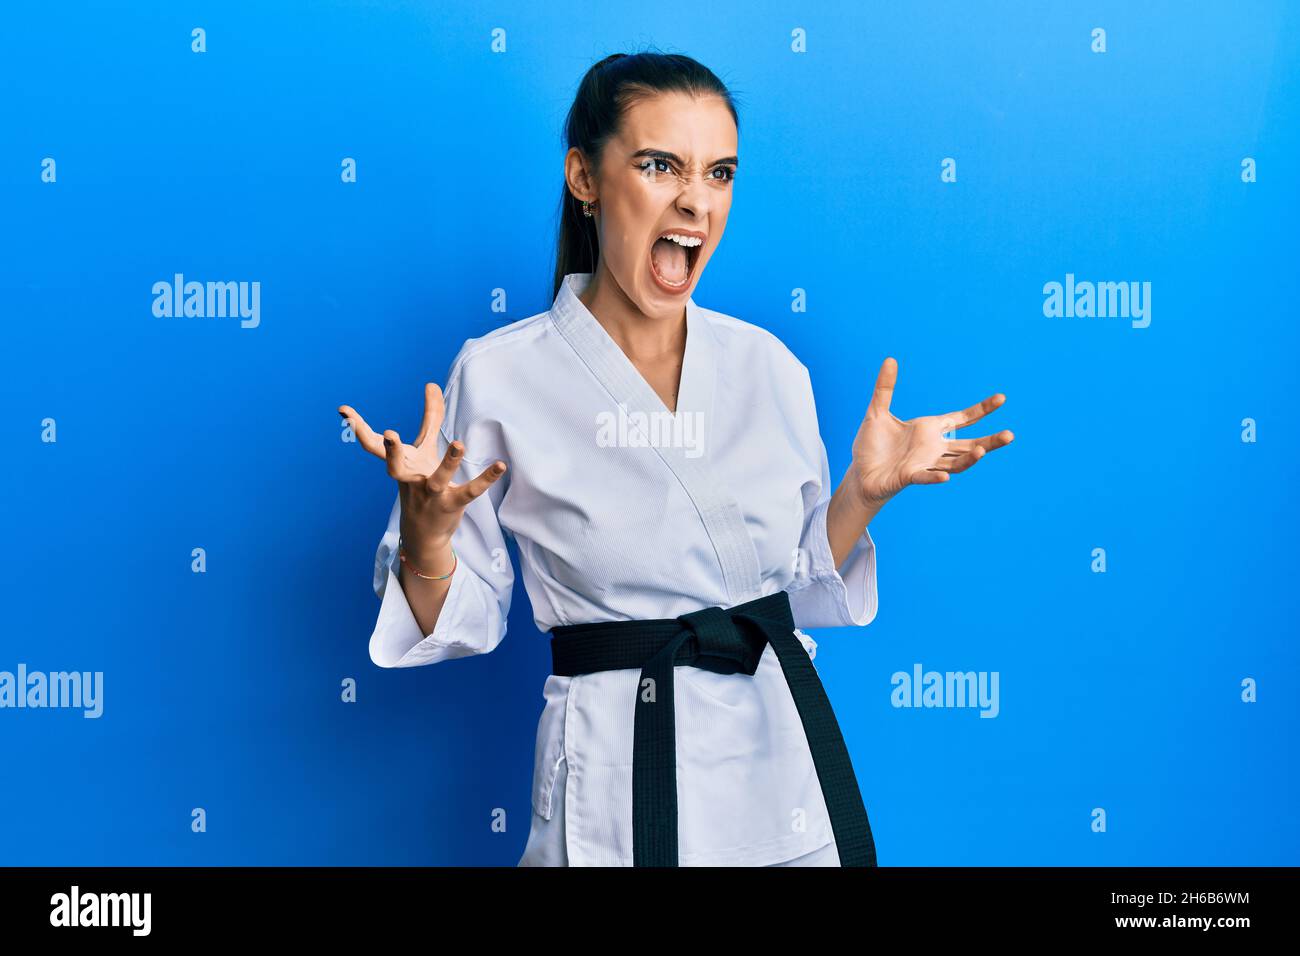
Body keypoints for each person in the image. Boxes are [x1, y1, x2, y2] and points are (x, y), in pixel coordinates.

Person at [338, 51, 1013, 867]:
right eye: (659, 166)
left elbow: (793, 594)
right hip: (614, 790)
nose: (696, 200)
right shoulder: (500, 374)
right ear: (584, 177)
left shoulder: (769, 367)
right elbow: (464, 624)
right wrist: (428, 534)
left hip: (781, 778)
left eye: (720, 173)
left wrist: (861, 497)